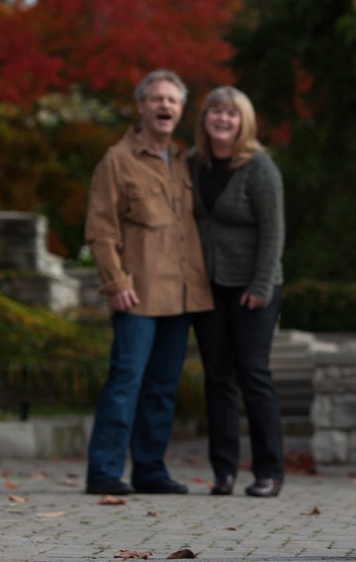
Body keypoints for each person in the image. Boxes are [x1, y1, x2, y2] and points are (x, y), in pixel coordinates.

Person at [83, 69, 214, 496]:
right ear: (141, 106)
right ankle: (104, 471)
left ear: (180, 109)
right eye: (157, 99)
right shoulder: (116, 161)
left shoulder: (183, 160)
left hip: (182, 294)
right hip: (137, 294)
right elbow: (100, 230)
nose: (165, 106)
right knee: (125, 382)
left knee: (162, 388)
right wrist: (115, 281)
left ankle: (150, 469)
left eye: (172, 100)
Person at [188, 86, 286, 498]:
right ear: (205, 118)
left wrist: (260, 284)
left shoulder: (259, 166)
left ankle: (269, 471)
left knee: (253, 374)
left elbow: (273, 229)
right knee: (217, 379)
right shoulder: (192, 164)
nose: (223, 119)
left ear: (243, 122)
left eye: (232, 113)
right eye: (216, 111)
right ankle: (223, 472)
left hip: (254, 288)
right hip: (207, 287)